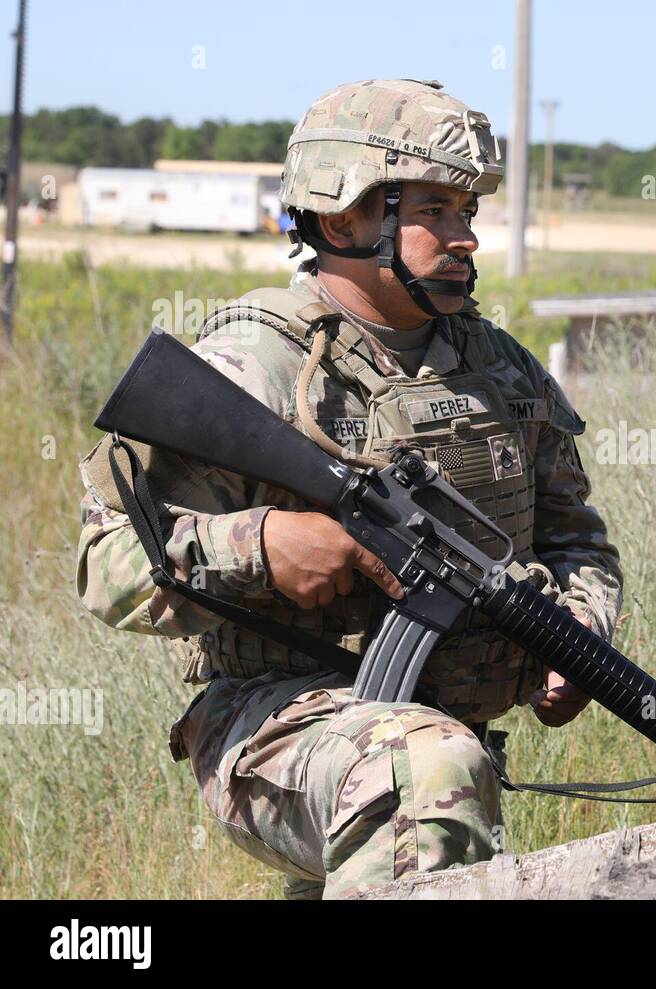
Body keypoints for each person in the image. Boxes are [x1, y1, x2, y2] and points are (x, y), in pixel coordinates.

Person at [75, 79, 623, 899]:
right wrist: (260, 544)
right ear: (344, 219)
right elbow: (103, 566)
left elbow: (577, 539)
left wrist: (581, 630)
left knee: (425, 770)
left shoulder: (500, 370)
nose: (465, 236)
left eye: (468, 211)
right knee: (423, 770)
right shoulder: (255, 365)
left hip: (421, 732)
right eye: (435, 210)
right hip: (270, 723)